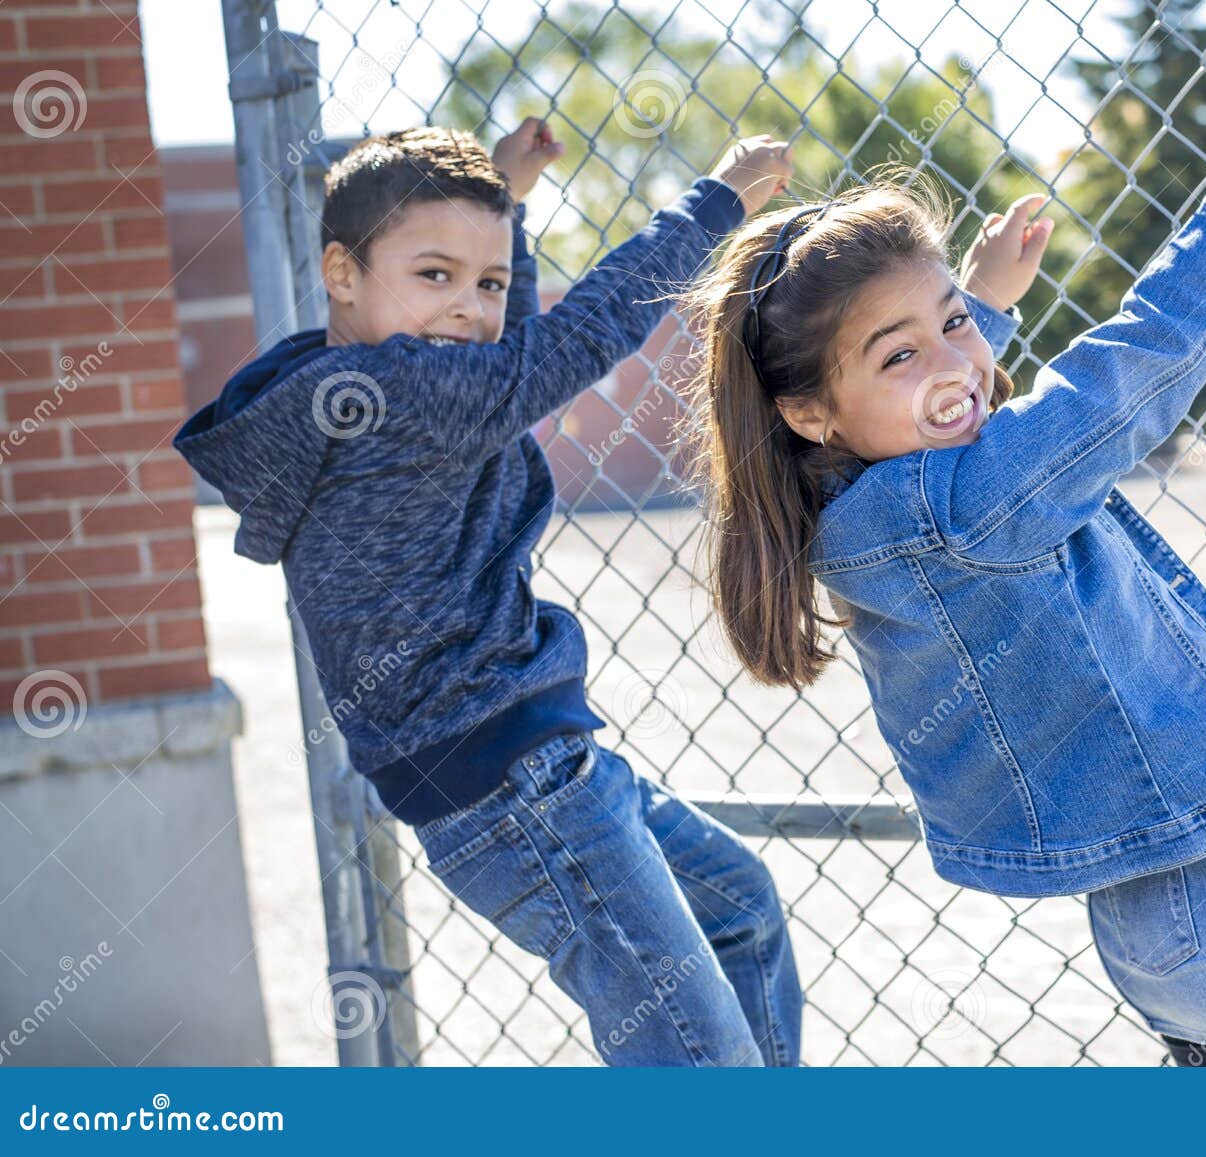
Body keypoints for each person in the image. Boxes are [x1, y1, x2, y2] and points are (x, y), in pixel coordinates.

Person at [683, 68, 1206, 1065]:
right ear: (808, 412)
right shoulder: (974, 503)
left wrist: (984, 308)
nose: (955, 363)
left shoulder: (859, 515)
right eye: (897, 354)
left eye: (951, 321)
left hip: (1164, 922)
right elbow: (1139, 361)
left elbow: (939, 429)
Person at [175, 119, 804, 1066]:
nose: (469, 307)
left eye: (490, 282)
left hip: (533, 764)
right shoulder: (399, 391)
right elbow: (564, 347)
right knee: (702, 1062)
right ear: (341, 271)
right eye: (435, 275)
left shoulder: (333, 379)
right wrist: (714, 202)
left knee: (740, 909)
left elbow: (504, 367)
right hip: (513, 784)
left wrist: (502, 203)